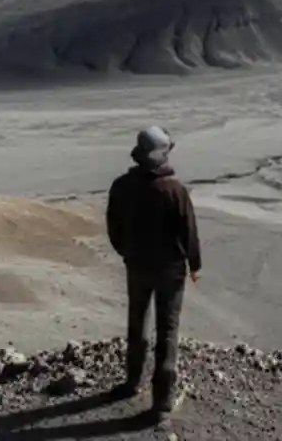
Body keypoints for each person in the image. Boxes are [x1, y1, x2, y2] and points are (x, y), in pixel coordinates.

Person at [105, 126, 202, 421]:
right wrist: (194, 265)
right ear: (162, 155)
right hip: (170, 271)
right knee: (167, 331)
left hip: (136, 266)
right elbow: (188, 231)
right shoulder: (175, 190)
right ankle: (162, 401)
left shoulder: (121, 186)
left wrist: (126, 252)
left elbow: (114, 226)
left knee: (137, 322)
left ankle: (132, 381)